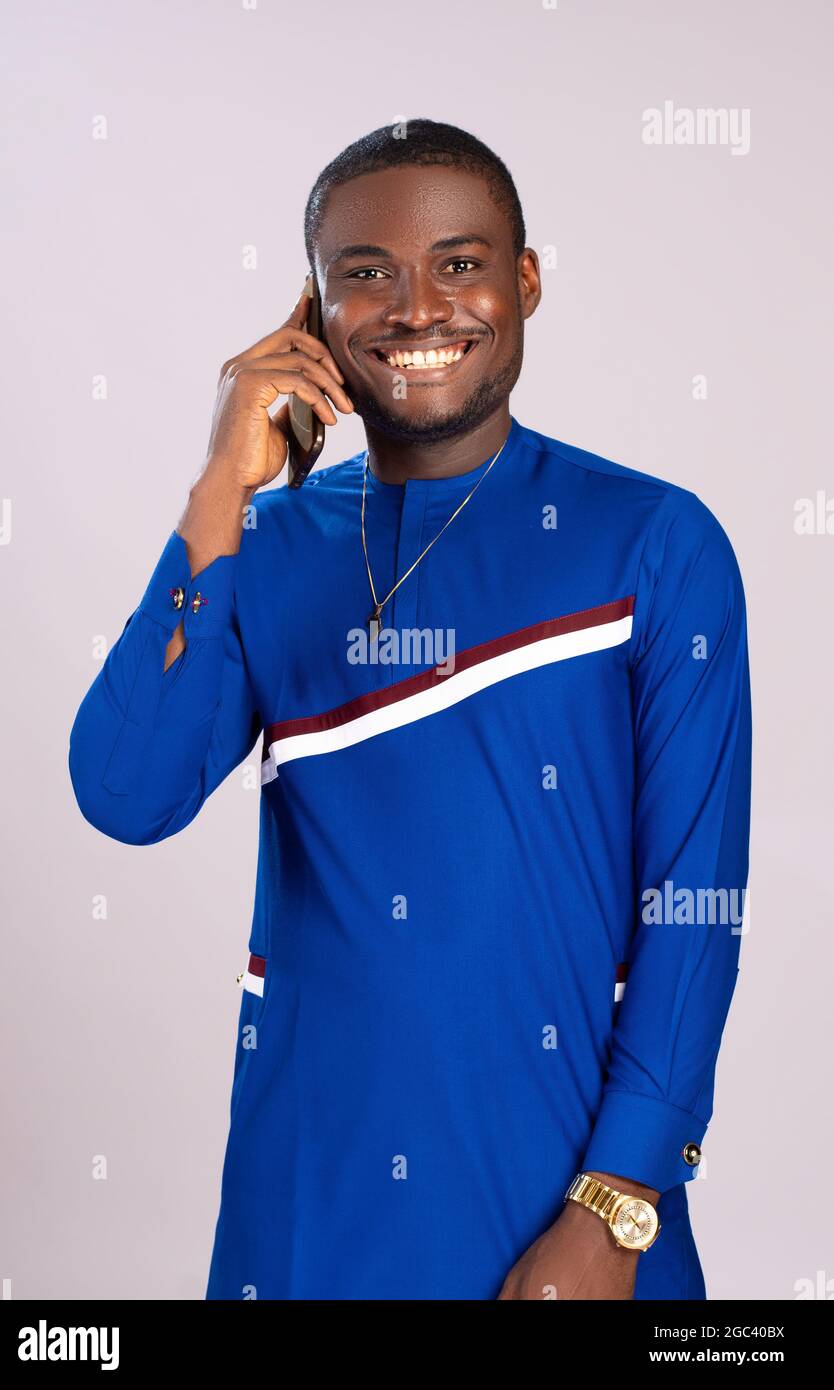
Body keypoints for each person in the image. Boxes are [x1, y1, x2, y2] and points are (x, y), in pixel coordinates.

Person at [68, 119, 752, 1301]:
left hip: (556, 1195)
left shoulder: (652, 541)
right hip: (306, 1203)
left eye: (460, 261)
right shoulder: (262, 548)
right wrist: (219, 481)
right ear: (313, 309)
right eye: (366, 273)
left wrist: (615, 1203)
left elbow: (693, 905)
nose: (417, 307)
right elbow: (125, 793)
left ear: (524, 281)